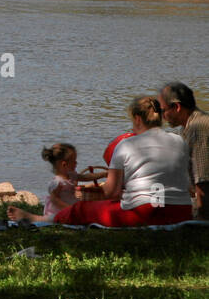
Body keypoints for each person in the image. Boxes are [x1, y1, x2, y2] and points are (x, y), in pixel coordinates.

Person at [10, 96, 193, 226]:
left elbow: (111, 192)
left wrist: (87, 196)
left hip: (147, 215)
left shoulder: (126, 145)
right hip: (181, 212)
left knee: (82, 210)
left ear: (137, 119)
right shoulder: (179, 141)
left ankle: (35, 219)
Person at [160, 81, 209, 219]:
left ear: (177, 107)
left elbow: (203, 182)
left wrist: (201, 222)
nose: (162, 116)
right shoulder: (188, 127)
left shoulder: (198, 128)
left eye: (164, 110)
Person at [40, 143, 105, 218]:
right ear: (64, 164)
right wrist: (69, 209)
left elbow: (85, 177)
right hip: (59, 211)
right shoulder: (58, 182)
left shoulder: (71, 175)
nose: (76, 163)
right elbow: (54, 200)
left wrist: (103, 174)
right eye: (74, 161)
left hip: (71, 207)